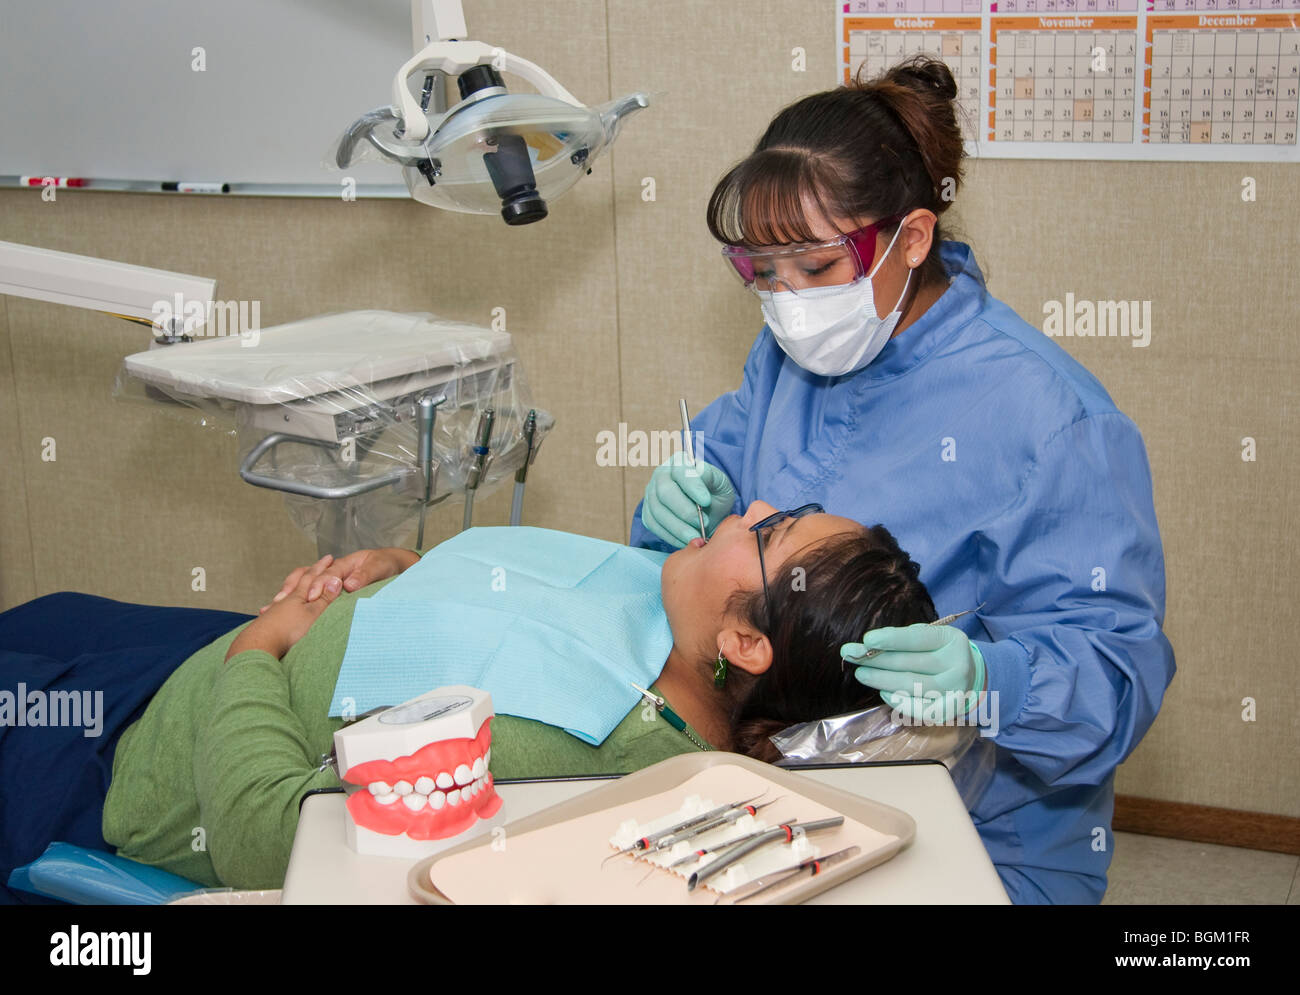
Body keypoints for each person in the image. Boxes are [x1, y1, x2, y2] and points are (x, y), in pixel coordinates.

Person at [631, 55, 1176, 904]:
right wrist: (678, 505)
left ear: (912, 238)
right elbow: (717, 491)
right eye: (761, 272)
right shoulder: (788, 357)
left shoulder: (1054, 421)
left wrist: (991, 681)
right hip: (787, 793)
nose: (786, 302)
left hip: (984, 829)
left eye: (814, 267)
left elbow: (1116, 674)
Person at [0, 502, 937, 901]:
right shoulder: (666, 610)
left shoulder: (575, 755)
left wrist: (262, 647)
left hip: (143, 761)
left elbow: (266, 835)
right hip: (194, 658)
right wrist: (403, 572)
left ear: (744, 643)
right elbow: (506, 600)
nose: (747, 508)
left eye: (767, 532)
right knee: (39, 614)